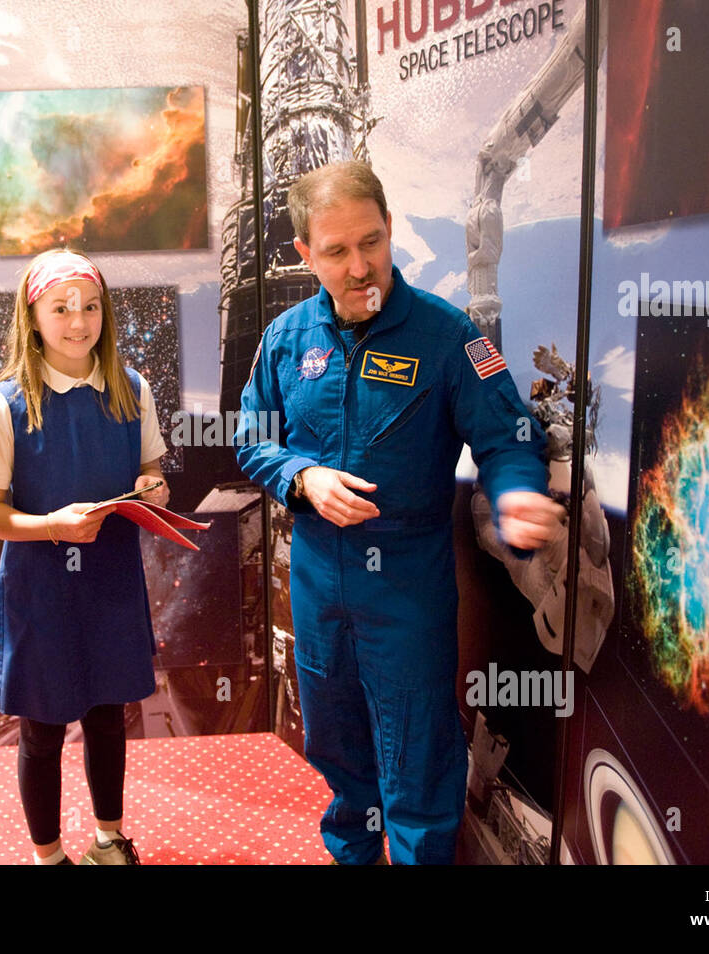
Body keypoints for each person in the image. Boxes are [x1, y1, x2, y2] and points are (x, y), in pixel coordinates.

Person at [235, 162, 565, 864]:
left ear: (389, 230)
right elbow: (252, 440)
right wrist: (302, 475)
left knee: (418, 763)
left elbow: (506, 438)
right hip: (320, 580)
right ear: (304, 255)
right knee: (338, 750)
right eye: (336, 251)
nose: (361, 267)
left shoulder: (450, 338)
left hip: (408, 585)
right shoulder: (286, 341)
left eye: (373, 242)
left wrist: (515, 492)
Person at [0, 248, 169, 865]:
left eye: (89, 307)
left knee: (110, 714)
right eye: (61, 308)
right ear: (32, 317)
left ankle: (109, 839)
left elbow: (151, 471)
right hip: (40, 588)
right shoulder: (3, 405)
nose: (78, 321)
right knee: (44, 727)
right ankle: (48, 855)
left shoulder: (132, 390)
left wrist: (154, 490)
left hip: (109, 580)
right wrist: (52, 526)